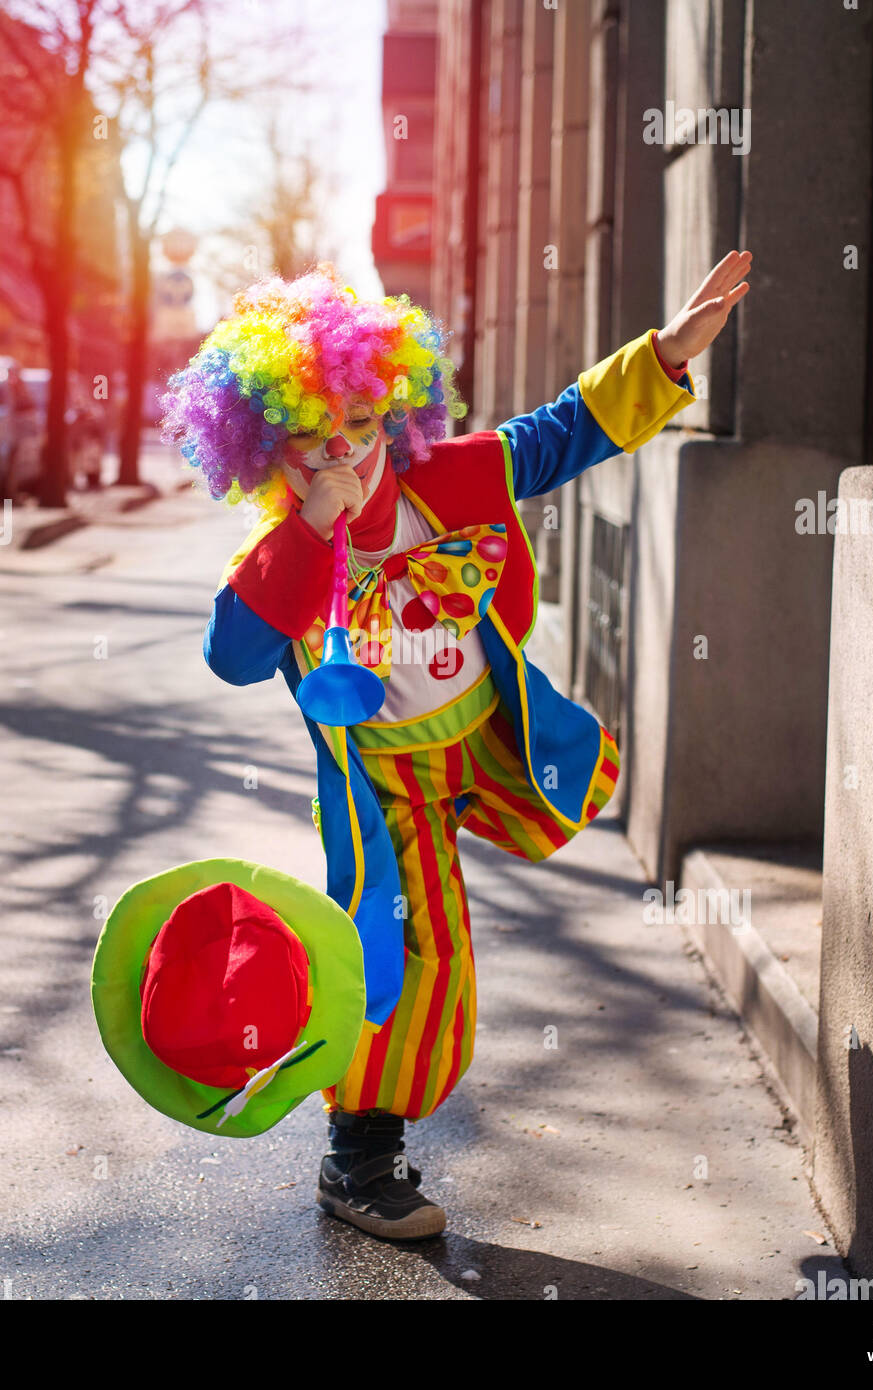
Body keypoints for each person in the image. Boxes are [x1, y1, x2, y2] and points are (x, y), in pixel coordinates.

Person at [163, 253, 750, 1239]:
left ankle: (363, 1145)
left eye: (361, 424)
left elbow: (563, 431)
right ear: (269, 449)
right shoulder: (282, 548)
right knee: (410, 957)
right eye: (313, 440)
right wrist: (309, 533)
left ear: (391, 409)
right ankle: (359, 1159)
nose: (346, 453)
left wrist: (663, 356)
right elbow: (232, 651)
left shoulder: (453, 475)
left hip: (485, 741)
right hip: (384, 790)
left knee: (565, 790)